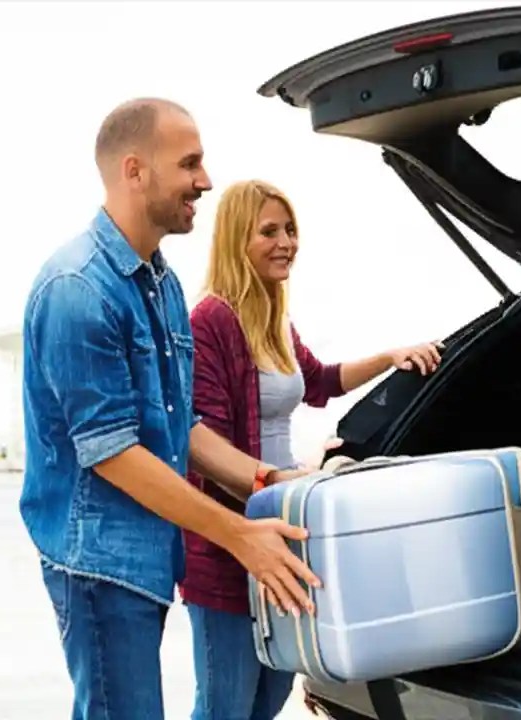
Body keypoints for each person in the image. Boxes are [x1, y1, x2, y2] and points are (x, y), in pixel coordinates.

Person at [19, 100, 323, 720]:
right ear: (135, 170)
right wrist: (240, 535)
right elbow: (114, 454)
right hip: (99, 563)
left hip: (151, 555)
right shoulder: (78, 288)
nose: (205, 181)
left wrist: (268, 482)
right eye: (190, 164)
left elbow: (180, 425)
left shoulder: (161, 283)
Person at [181, 179, 443, 720]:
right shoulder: (210, 320)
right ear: (236, 238)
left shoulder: (274, 319)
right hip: (231, 544)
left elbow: (321, 381)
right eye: (269, 231)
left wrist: (391, 357)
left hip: (287, 527)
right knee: (225, 708)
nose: (286, 242)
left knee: (271, 699)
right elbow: (205, 442)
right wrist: (282, 481)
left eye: (291, 229)